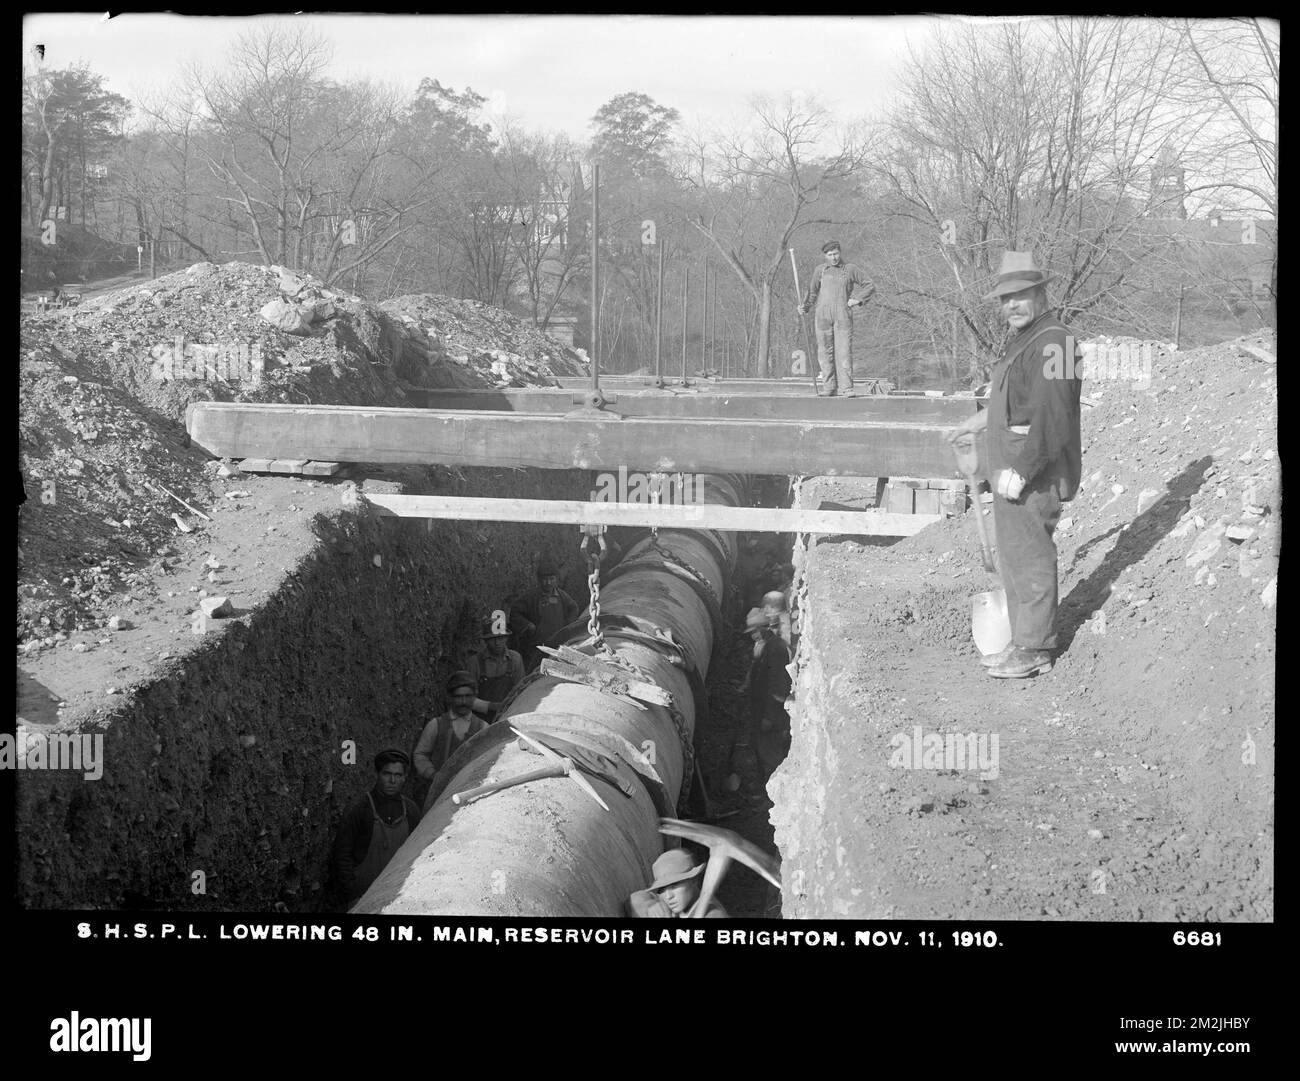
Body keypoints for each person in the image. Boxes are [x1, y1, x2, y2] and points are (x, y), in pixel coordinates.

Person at [947, 251, 1082, 680]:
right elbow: (1012, 403)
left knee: (1031, 556)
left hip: (1031, 472)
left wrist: (1022, 471)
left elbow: (1054, 419)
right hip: (1008, 467)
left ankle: (1034, 647)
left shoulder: (1057, 343)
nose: (1013, 306)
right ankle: (1021, 638)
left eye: (1021, 296)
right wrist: (973, 425)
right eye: (1006, 299)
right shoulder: (1023, 339)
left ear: (1041, 294)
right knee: (1012, 558)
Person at [330, 749, 421, 905]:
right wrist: (352, 895)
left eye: (398, 775)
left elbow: (419, 854)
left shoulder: (411, 811)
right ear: (377, 775)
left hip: (398, 894)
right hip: (362, 896)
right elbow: (342, 854)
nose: (392, 780)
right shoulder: (359, 809)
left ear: (404, 778)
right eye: (387, 774)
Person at [797, 240, 875, 396]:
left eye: (836, 254)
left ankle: (846, 388)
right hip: (822, 317)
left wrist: (858, 299)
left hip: (842, 317)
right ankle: (829, 387)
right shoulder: (820, 271)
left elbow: (869, 285)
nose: (834, 258)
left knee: (843, 352)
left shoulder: (850, 269)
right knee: (824, 353)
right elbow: (812, 293)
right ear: (825, 256)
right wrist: (804, 307)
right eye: (830, 255)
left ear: (840, 253)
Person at [738, 608, 792, 781]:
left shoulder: (776, 649)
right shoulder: (763, 646)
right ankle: (763, 791)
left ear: (764, 628)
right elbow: (756, 673)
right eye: (751, 633)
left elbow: (778, 687)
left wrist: (769, 717)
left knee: (771, 755)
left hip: (772, 715)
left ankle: (772, 799)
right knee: (760, 750)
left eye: (755, 631)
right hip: (760, 708)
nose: (753, 635)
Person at [413, 671, 490, 784]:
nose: (463, 702)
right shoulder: (436, 725)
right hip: (437, 791)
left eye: (468, 696)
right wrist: (432, 775)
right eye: (458, 697)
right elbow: (420, 754)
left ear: (475, 696)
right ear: (450, 697)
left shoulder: (483, 728)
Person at [509, 557, 580, 670]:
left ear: (556, 579)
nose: (548, 583)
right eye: (545, 579)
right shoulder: (531, 597)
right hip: (536, 647)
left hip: (558, 644)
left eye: (552, 579)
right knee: (535, 672)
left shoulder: (561, 596)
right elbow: (515, 612)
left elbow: (573, 608)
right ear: (539, 580)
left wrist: (568, 625)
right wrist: (528, 625)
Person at [626, 848, 728, 918]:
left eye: (675, 885)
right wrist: (649, 906)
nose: (668, 896)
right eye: (662, 889)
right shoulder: (675, 903)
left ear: (693, 880)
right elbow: (635, 898)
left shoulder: (712, 914)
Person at [466, 615, 525, 720]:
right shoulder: (475, 662)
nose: (497, 643)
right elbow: (467, 698)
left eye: (500, 638)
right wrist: (492, 706)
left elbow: (521, 692)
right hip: (480, 718)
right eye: (492, 639)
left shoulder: (515, 659)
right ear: (485, 641)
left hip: (508, 715)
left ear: (506, 638)